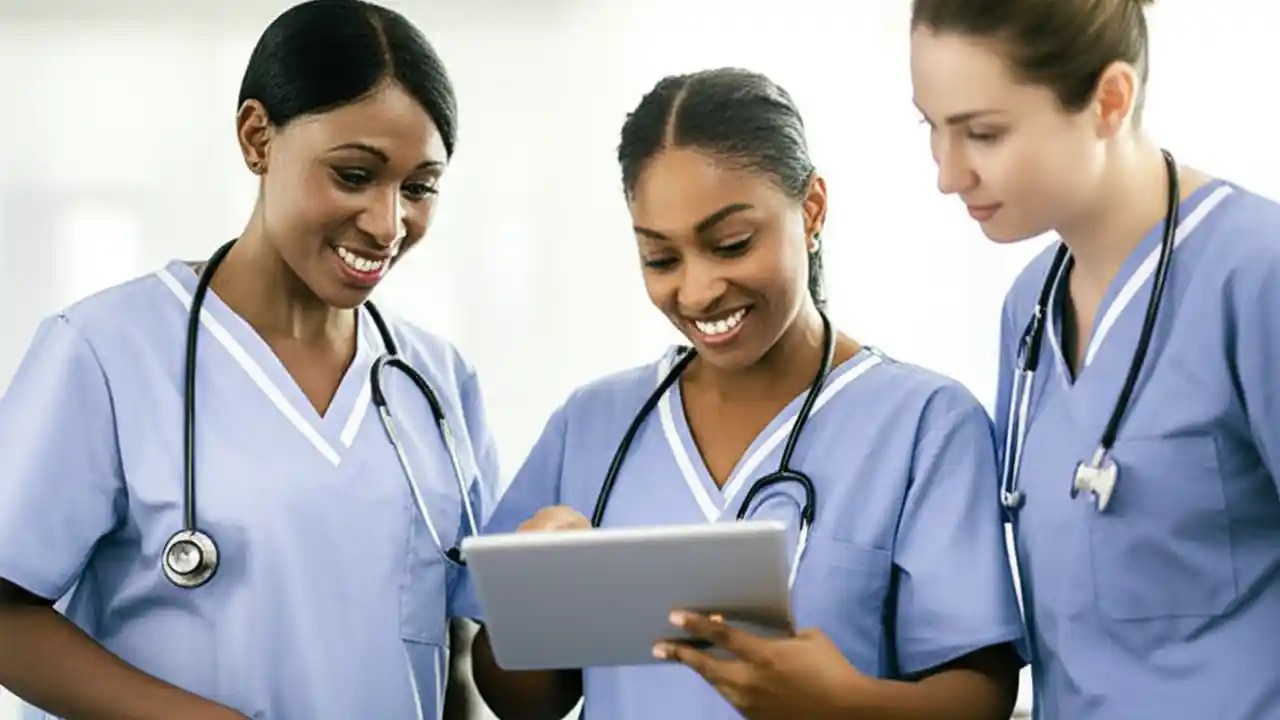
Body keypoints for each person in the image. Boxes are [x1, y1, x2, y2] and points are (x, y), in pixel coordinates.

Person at [467, 67, 1025, 720]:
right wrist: (533, 603)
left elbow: (981, 694)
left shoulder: (925, 424)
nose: (698, 291)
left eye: (731, 245)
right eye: (661, 259)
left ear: (811, 209)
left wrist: (842, 705)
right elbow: (519, 701)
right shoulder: (591, 424)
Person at [0, 1, 499, 718]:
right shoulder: (104, 352)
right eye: (354, 175)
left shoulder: (435, 379)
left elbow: (457, 647)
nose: (388, 224)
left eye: (418, 187)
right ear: (258, 137)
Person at [910, 0, 1280, 717]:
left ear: (1110, 100)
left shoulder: (1255, 276)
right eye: (931, 127)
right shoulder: (1029, 309)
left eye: (983, 133)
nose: (948, 174)